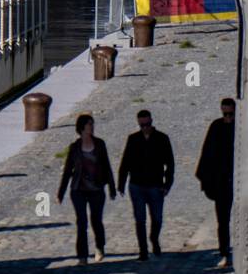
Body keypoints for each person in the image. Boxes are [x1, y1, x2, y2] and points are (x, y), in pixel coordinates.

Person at [57, 114, 116, 266]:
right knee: (81, 222)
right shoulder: (75, 148)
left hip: (96, 190)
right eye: (89, 124)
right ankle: (82, 256)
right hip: (78, 190)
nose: (92, 126)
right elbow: (68, 170)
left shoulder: (100, 144)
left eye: (92, 123)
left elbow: (106, 166)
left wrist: (112, 187)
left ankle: (99, 246)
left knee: (96, 220)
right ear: (82, 127)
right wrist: (61, 192)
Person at [117, 110, 175, 260]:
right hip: (137, 185)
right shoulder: (133, 139)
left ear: (152, 122)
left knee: (157, 218)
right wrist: (121, 183)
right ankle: (143, 250)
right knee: (140, 219)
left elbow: (170, 163)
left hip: (156, 185)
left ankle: (154, 238)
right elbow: (125, 161)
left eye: (147, 124)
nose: (145, 128)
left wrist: (167, 184)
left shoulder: (162, 139)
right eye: (142, 125)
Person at [195, 98, 236, 269]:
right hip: (222, 183)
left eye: (230, 114)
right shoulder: (216, 127)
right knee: (223, 221)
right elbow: (207, 153)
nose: (227, 117)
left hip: (238, 180)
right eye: (224, 114)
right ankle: (225, 252)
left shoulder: (241, 127)